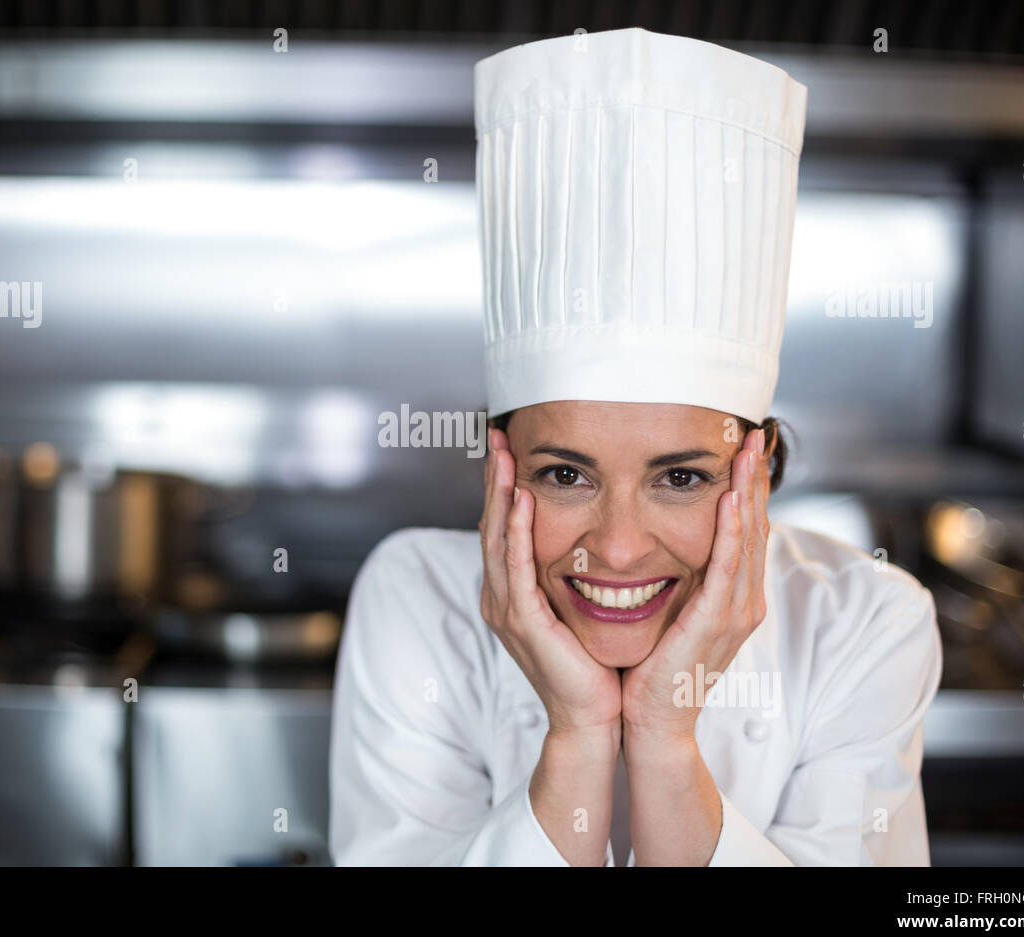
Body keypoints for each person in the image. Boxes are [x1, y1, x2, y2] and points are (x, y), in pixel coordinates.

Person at [328, 26, 943, 866]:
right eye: (567, 474)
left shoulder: (866, 622)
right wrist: (580, 729)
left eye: (680, 477)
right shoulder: (416, 600)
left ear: (753, 471)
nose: (617, 548)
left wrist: (662, 731)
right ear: (500, 465)